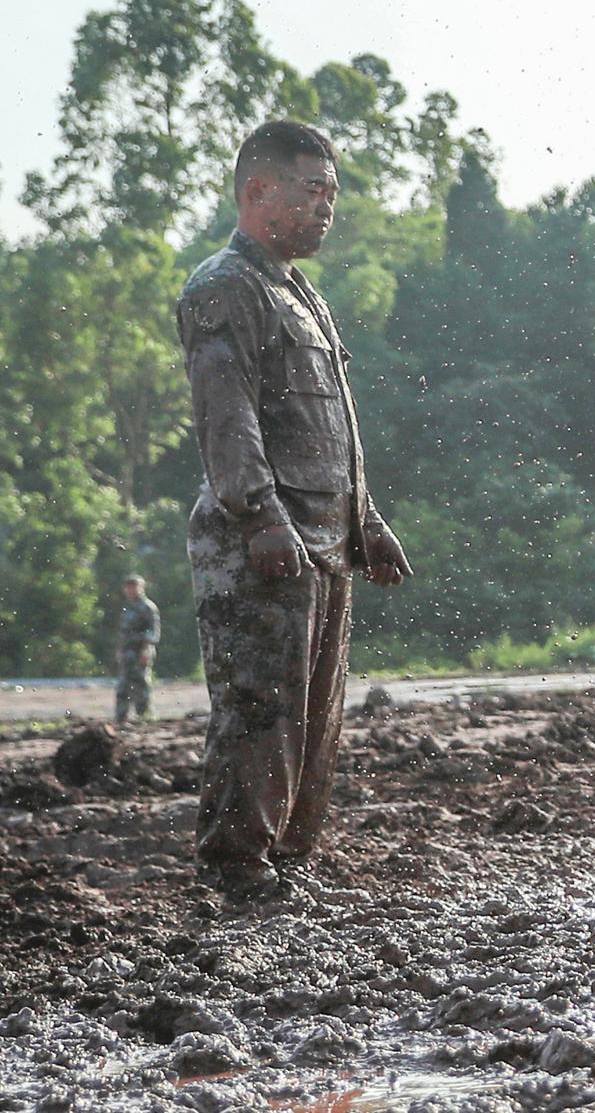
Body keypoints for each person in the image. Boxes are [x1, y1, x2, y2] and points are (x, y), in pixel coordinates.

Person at [176, 119, 414, 898]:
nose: (326, 209)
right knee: (261, 712)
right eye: (313, 191)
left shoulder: (300, 291)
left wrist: (366, 522)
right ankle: (237, 869)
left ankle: (286, 865)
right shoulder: (225, 285)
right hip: (264, 541)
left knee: (315, 718)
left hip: (322, 538)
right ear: (257, 192)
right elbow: (227, 414)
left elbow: (331, 424)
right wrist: (260, 517)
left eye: (332, 195)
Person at [115, 575, 161, 724]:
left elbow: (152, 631)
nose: (131, 591)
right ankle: (121, 717)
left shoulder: (148, 607)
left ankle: (144, 715)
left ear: (141, 588)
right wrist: (120, 649)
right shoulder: (127, 607)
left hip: (140, 650)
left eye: (134, 587)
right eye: (128, 587)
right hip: (127, 651)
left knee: (141, 683)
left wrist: (146, 650)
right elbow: (123, 632)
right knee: (123, 684)